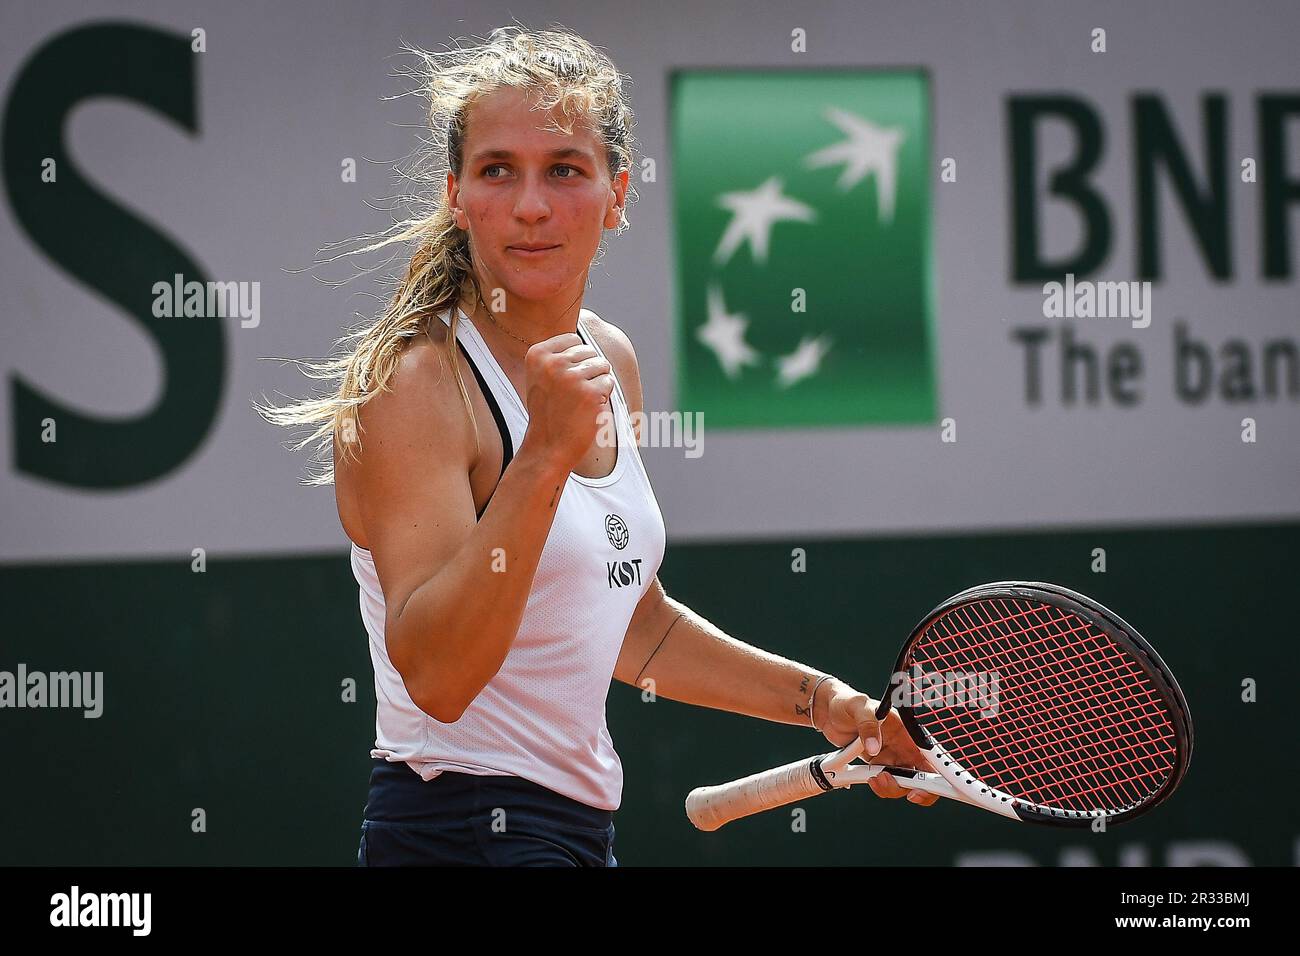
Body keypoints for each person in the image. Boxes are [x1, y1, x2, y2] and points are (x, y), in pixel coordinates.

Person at [257, 25, 937, 868]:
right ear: (457, 196)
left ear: (618, 195)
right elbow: (437, 679)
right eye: (497, 170)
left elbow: (630, 628)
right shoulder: (416, 385)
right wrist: (542, 455)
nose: (532, 205)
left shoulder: (609, 359)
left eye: (565, 171)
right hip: (458, 832)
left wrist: (821, 701)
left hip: (572, 834)